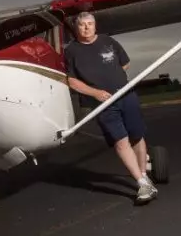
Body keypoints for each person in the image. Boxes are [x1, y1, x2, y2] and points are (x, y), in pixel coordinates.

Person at [64, 11, 158, 203]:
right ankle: (141, 183)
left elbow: (125, 64)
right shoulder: (71, 51)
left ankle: (144, 176)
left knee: (137, 137)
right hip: (102, 104)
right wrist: (96, 93)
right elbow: (72, 81)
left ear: (95, 25)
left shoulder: (108, 41)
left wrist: (114, 81)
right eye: (82, 25)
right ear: (76, 28)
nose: (87, 28)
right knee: (120, 142)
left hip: (126, 95)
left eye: (90, 23)